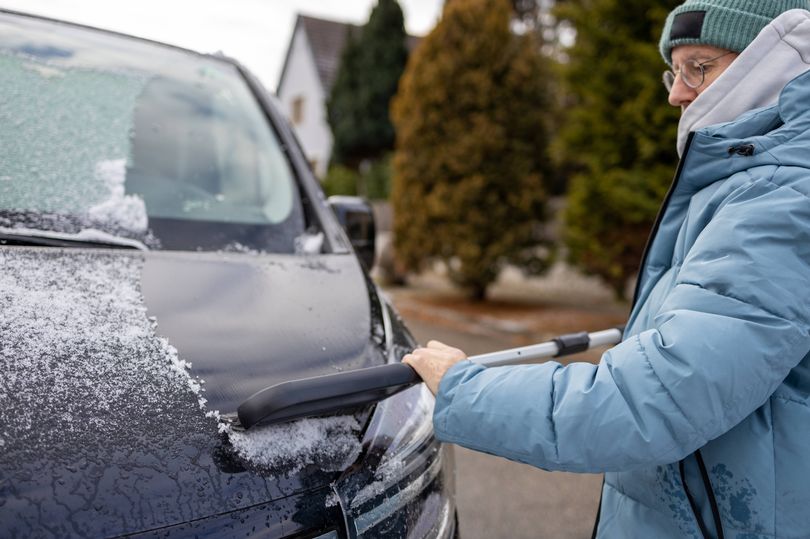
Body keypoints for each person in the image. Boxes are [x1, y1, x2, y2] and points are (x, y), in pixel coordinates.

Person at [402, 1, 810, 537]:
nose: (676, 93)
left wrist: (464, 388)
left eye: (700, 67)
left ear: (783, 58)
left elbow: (657, 396)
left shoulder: (782, 199)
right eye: (675, 70)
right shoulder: (747, 185)